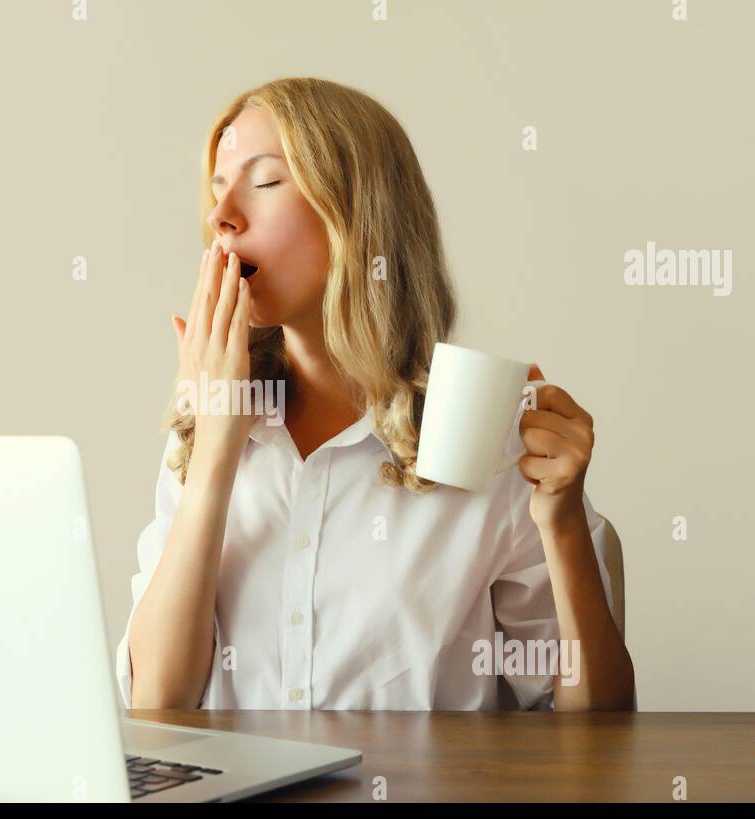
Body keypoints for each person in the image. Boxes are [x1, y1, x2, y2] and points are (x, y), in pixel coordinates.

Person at [116, 77, 634, 712]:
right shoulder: (204, 435)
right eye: (219, 188)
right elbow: (157, 704)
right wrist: (218, 448)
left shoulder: (484, 437)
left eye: (267, 181)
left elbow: (595, 734)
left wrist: (563, 524)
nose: (220, 216)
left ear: (357, 215)